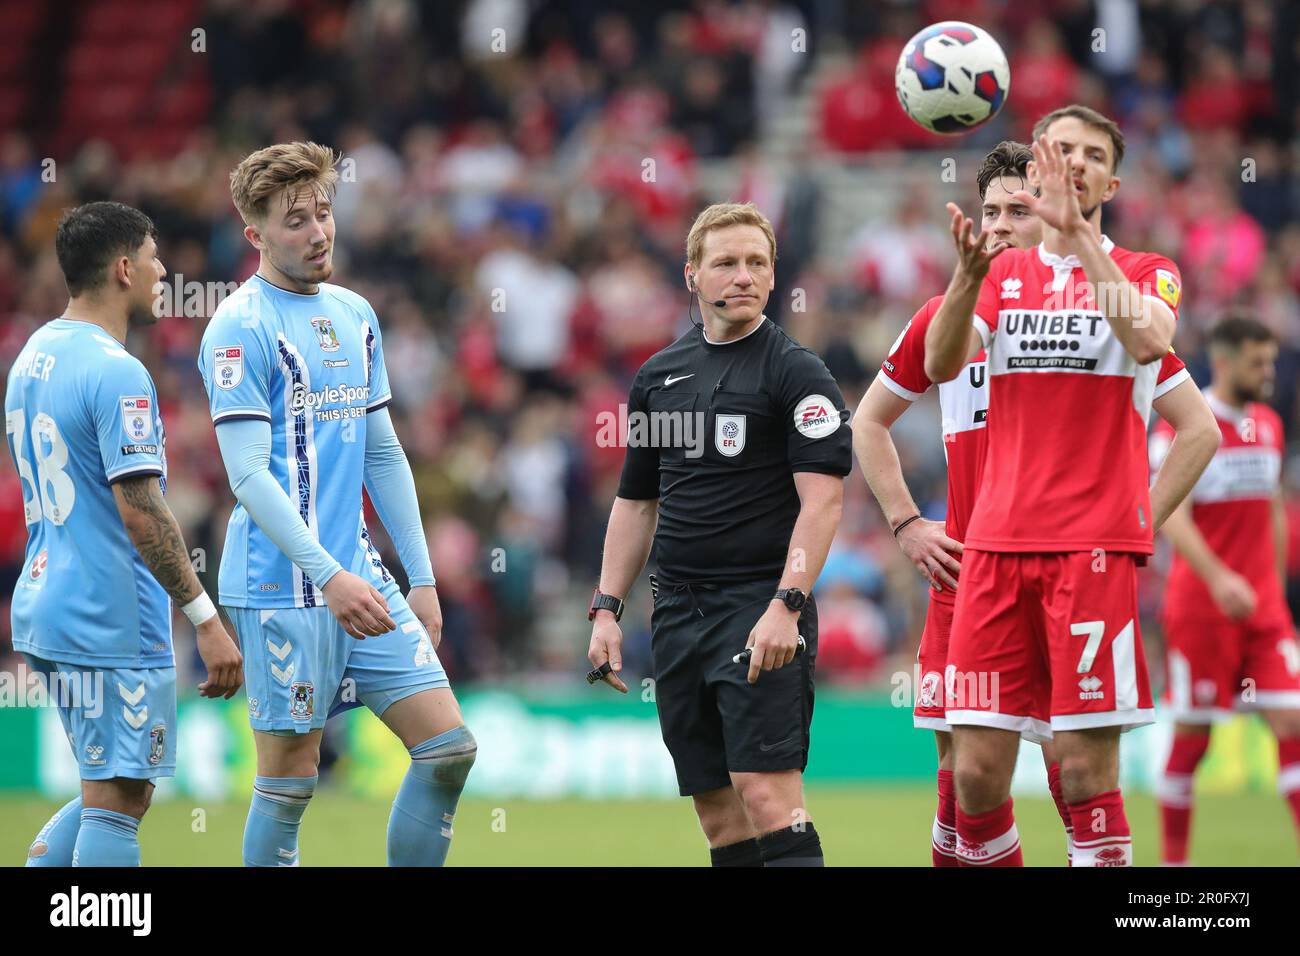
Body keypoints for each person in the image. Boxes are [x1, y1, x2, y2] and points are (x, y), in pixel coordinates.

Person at [856, 142, 1216, 865]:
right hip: (969, 576)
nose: (1000, 226)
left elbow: (1198, 429)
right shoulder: (947, 316)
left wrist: (1128, 521)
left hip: (1068, 568)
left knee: (1074, 772)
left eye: (1018, 210)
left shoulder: (1094, 316)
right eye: (989, 212)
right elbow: (866, 423)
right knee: (961, 794)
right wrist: (906, 523)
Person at [199, 142, 474, 867]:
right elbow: (249, 476)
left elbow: (381, 453)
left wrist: (420, 576)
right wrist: (329, 575)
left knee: (448, 748)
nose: (318, 232)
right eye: (295, 220)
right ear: (254, 234)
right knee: (290, 783)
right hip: (282, 587)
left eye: (324, 212)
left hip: (361, 577)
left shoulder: (354, 313)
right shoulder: (238, 327)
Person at [587, 202, 852, 866]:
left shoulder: (797, 373)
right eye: (726, 263)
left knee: (767, 797)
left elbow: (821, 503)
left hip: (758, 606)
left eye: (757, 263)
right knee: (718, 815)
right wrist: (607, 609)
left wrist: (786, 605)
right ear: (692, 276)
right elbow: (636, 502)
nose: (743, 276)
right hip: (677, 613)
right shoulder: (658, 378)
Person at [9, 201, 243, 866]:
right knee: (122, 794)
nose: (163, 270)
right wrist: (203, 615)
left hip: (48, 603)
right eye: (152, 258)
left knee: (110, 785)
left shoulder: (34, 355)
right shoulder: (118, 372)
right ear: (122, 269)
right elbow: (140, 510)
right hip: (109, 612)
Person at [1152, 315, 1300, 864]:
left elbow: (1273, 510)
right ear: (1225, 360)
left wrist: (1278, 587)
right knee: (1194, 738)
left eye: (1270, 361)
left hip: (1264, 611)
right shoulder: (1182, 426)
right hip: (1202, 610)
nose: (1268, 373)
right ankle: (1173, 866)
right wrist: (1218, 578)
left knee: (1290, 720)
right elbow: (1172, 517)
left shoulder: (1269, 423)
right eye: (1257, 363)